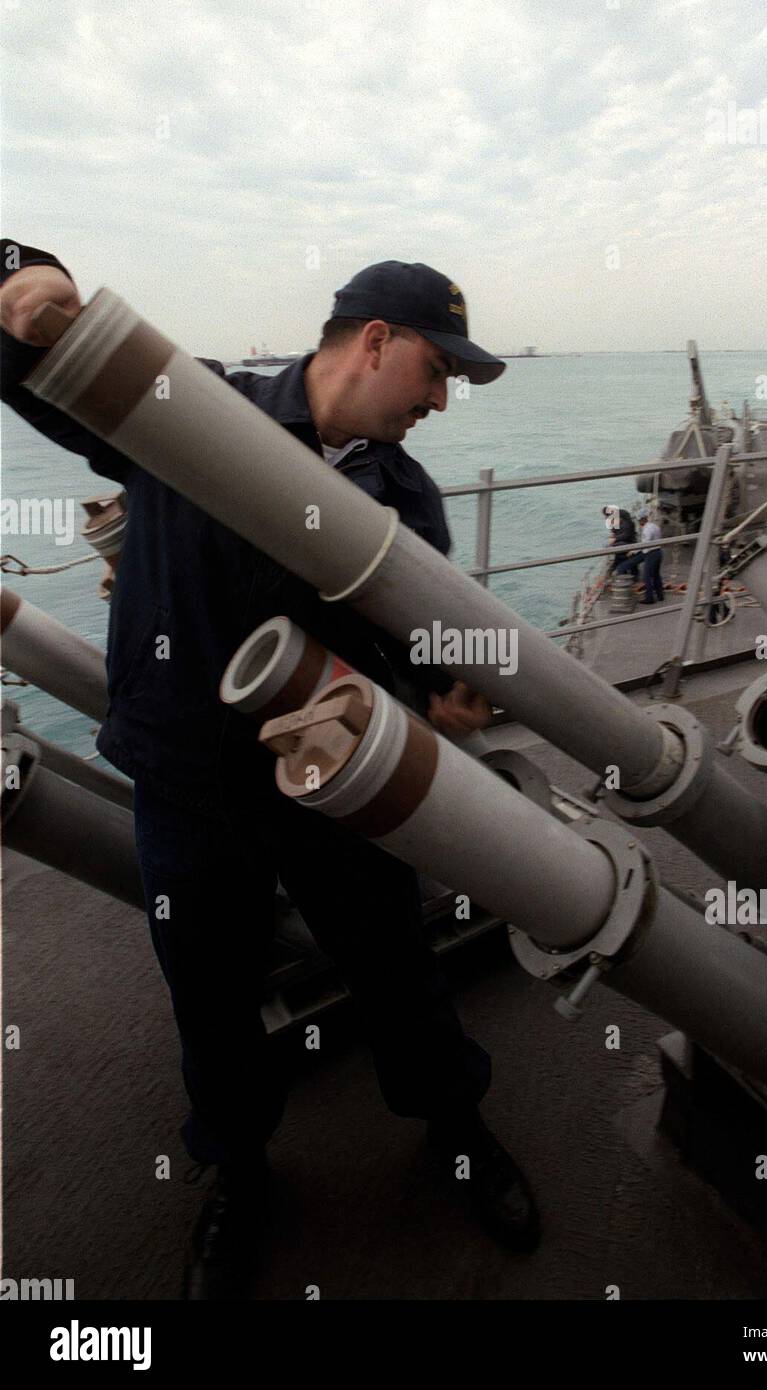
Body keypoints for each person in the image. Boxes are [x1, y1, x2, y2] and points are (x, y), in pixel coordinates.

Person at [0, 242, 541, 1298]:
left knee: (395, 960)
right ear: (375, 342)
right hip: (189, 776)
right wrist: (24, 280)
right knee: (208, 990)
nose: (441, 398)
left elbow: (427, 650)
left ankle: (455, 1127)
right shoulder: (190, 406)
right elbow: (36, 363)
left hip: (334, 778)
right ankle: (240, 1176)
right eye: (436, 370)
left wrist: (455, 695)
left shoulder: (403, 494)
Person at [639, 512, 664, 604]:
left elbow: (646, 544)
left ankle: (649, 598)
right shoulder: (654, 526)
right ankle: (660, 595)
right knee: (656, 575)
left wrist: (640, 552)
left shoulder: (646, 530)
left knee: (647, 577)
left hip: (651, 554)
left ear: (641, 520)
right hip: (659, 551)